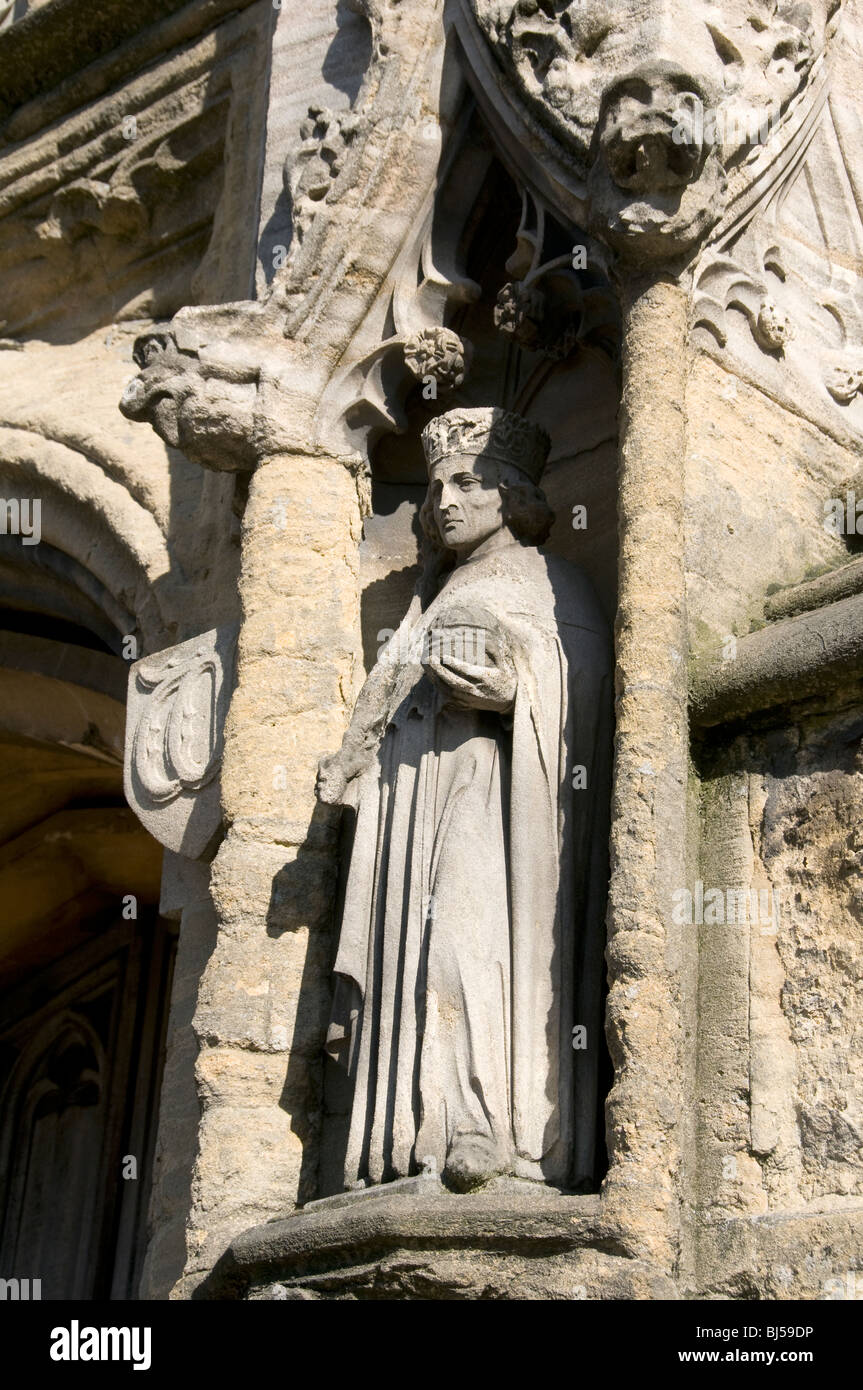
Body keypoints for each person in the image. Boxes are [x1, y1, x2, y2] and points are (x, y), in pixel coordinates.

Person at [316, 406, 611, 1192]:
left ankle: (492, 1123)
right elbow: (384, 701)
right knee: (411, 959)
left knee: (464, 946)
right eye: (436, 485)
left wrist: (507, 683)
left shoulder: (551, 581)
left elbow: (575, 686)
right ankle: (406, 1133)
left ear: (511, 496)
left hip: (492, 795)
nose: (445, 499)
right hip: (416, 797)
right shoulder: (430, 595)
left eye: (468, 482)